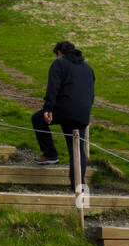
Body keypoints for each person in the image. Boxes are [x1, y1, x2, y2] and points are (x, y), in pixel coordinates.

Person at [32, 40, 96, 190]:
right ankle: (78, 186)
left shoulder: (59, 64)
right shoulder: (88, 68)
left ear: (60, 52)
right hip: (82, 113)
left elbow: (53, 87)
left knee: (37, 119)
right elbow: (91, 93)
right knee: (76, 149)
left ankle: (50, 154)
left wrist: (48, 108)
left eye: (57, 54)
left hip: (63, 110)